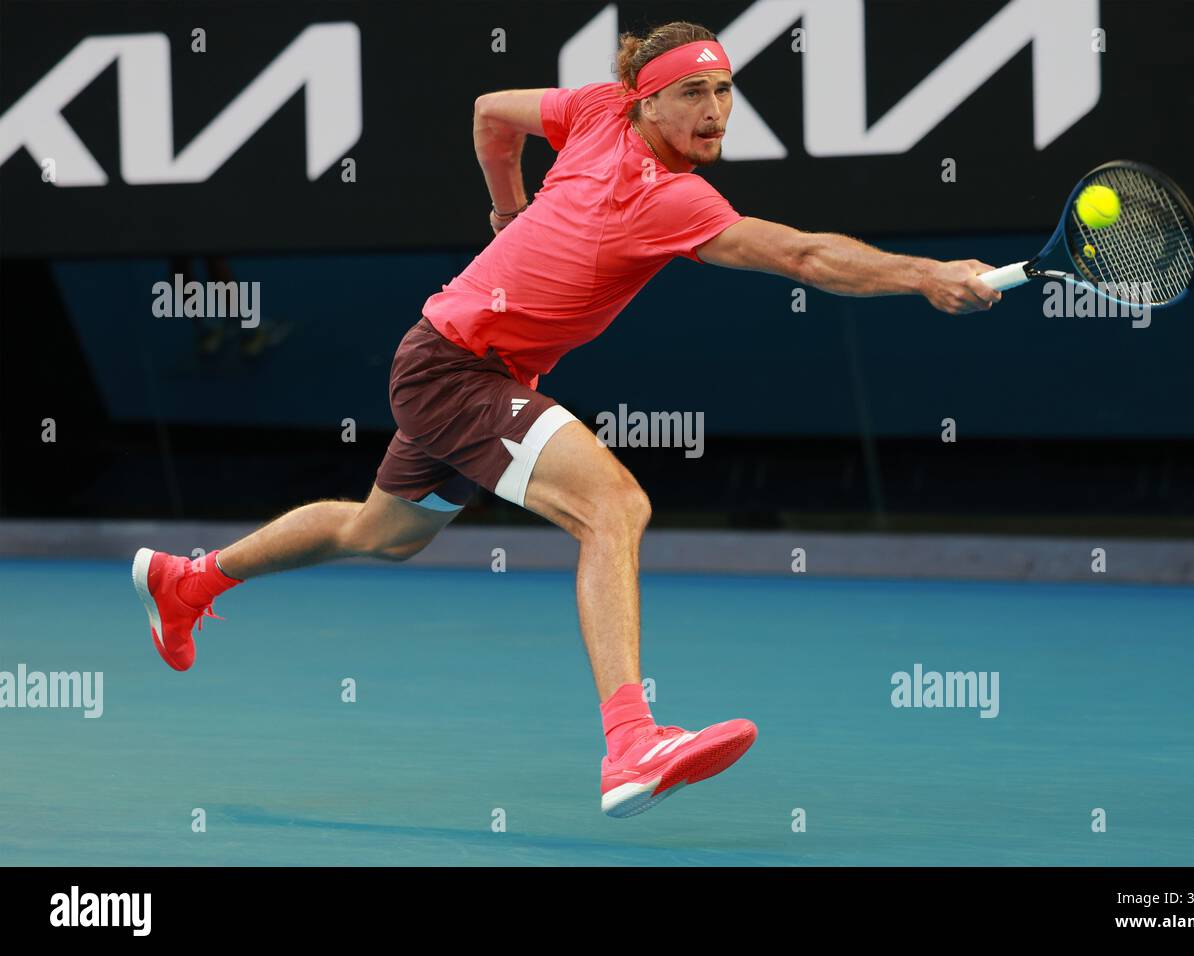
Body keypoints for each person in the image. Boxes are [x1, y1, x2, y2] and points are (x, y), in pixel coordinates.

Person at [133, 20, 1001, 818]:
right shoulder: (675, 196)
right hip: (454, 371)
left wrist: (507, 205)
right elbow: (805, 255)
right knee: (614, 506)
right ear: (646, 99)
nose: (714, 111)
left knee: (380, 533)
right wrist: (924, 274)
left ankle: (189, 581)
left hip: (461, 362)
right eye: (692, 94)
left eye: (725, 90)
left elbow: (490, 116)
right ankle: (630, 744)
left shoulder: (591, 112)